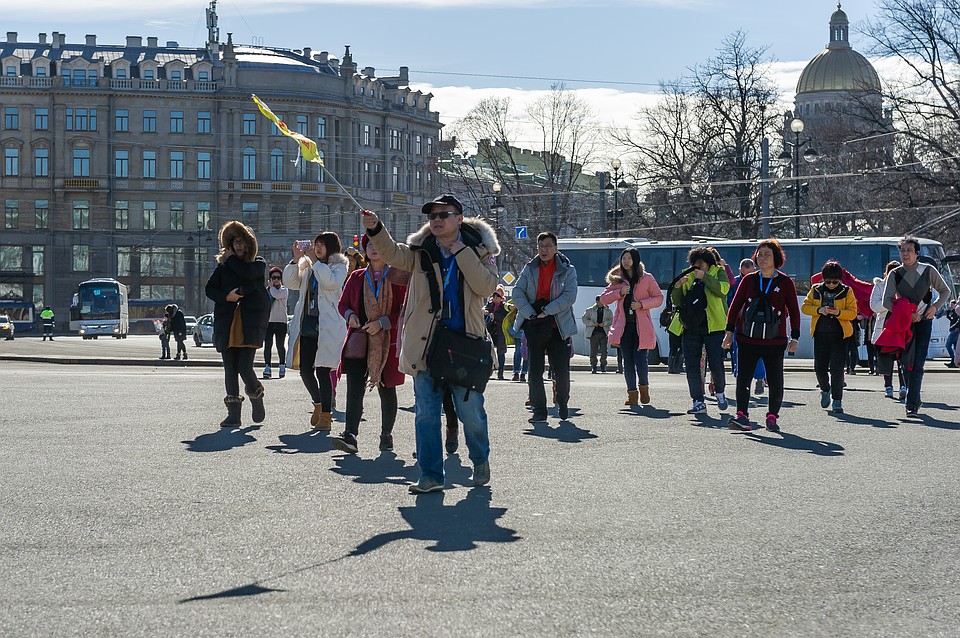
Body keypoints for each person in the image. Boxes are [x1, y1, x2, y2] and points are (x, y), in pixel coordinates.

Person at [361, 194, 500, 493]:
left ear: (459, 218)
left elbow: (486, 286)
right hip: (427, 344)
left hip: (465, 345)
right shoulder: (421, 250)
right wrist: (375, 229)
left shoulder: (479, 249)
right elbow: (393, 254)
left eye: (443, 215)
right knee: (426, 413)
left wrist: (462, 252)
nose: (436, 220)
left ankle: (480, 460)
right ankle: (431, 475)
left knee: (471, 413)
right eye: (432, 216)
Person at [332, 233, 409, 454]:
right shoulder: (356, 277)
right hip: (360, 339)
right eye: (369, 245)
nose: (374, 249)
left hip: (386, 341)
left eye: (378, 245)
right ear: (364, 250)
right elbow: (343, 303)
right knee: (354, 390)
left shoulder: (397, 276)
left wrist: (383, 323)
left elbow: (404, 309)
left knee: (387, 389)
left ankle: (386, 435)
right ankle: (351, 436)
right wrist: (350, 316)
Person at [723, 238, 801, 432]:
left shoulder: (785, 282)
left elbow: (794, 310)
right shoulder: (749, 279)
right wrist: (729, 333)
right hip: (746, 338)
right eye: (760, 254)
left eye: (768, 254)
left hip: (775, 341)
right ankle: (742, 415)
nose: (763, 257)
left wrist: (795, 337)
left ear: (776, 258)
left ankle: (772, 416)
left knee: (775, 380)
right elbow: (735, 307)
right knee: (744, 377)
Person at [204, 221, 270, 427]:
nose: (239, 246)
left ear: (249, 245)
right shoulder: (223, 267)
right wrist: (226, 297)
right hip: (227, 322)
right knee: (230, 369)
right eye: (235, 243)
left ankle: (256, 395)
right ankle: (234, 415)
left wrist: (230, 259)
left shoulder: (257, 264)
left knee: (244, 366)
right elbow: (209, 289)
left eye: (242, 243)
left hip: (249, 323)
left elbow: (248, 276)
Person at [879, 236, 951, 417]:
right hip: (904, 325)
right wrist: (905, 314)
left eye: (909, 250)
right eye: (903, 250)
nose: (905, 254)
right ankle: (914, 397)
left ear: (917, 253)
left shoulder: (928, 270)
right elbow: (886, 300)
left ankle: (911, 404)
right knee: (906, 363)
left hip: (924, 323)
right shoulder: (895, 274)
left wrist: (934, 307)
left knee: (918, 364)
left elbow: (945, 291)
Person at [284, 232, 349, 430]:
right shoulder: (310, 267)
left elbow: (330, 283)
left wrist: (314, 261)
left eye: (322, 245)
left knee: (322, 371)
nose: (317, 248)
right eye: (315, 244)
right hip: (308, 324)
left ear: (331, 247)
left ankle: (326, 417)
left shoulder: (339, 266)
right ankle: (318, 404)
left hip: (327, 326)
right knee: (305, 371)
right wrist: (296, 260)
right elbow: (291, 283)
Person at [512, 231, 579, 422]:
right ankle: (539, 410)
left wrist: (547, 310)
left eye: (548, 245)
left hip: (558, 326)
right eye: (541, 245)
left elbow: (569, 296)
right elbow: (517, 292)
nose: (544, 249)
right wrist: (530, 313)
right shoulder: (529, 268)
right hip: (535, 325)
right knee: (534, 370)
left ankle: (562, 401)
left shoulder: (568, 270)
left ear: (556, 248)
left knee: (561, 370)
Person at [668, 247, 730, 415]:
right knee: (692, 366)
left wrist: (706, 278)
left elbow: (723, 290)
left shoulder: (719, 271)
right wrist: (678, 287)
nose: (696, 267)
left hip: (715, 327)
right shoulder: (687, 274)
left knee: (716, 363)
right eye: (693, 264)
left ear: (708, 263)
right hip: (691, 327)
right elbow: (678, 301)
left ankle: (720, 392)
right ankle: (697, 401)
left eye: (699, 264)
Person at [600, 248, 663, 404]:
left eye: (628, 258)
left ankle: (644, 388)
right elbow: (603, 299)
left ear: (635, 260)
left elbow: (659, 298)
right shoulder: (618, 279)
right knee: (627, 361)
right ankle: (632, 395)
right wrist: (619, 292)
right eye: (623, 258)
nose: (625, 261)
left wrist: (642, 304)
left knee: (641, 360)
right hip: (624, 327)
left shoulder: (647, 278)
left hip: (641, 328)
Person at [801, 260, 858, 413]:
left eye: (835, 281)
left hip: (840, 336)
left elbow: (852, 312)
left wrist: (838, 312)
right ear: (823, 279)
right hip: (820, 334)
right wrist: (820, 310)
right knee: (819, 368)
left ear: (840, 280)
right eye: (828, 281)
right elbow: (805, 307)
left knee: (837, 370)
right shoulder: (816, 289)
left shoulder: (847, 291)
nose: (831, 284)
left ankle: (837, 401)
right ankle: (825, 389)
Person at [729, 258, 766, 395]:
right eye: (744, 275)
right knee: (738, 352)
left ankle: (760, 379)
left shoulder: (760, 281)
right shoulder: (735, 283)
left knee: (759, 352)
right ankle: (741, 380)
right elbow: (730, 301)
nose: (747, 278)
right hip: (740, 323)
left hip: (757, 322)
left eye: (750, 274)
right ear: (740, 271)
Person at [870, 260, 906, 399]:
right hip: (884, 327)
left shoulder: (905, 286)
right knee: (886, 359)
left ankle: (903, 386)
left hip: (900, 326)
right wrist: (891, 303)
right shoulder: (880, 286)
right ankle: (888, 386)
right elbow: (874, 306)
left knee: (902, 359)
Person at [263, 267, 289, 379]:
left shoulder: (284, 290)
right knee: (268, 345)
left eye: (278, 277)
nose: (276, 280)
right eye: (274, 278)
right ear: (270, 279)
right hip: (269, 322)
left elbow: (276, 295)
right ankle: (267, 366)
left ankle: (282, 365)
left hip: (281, 321)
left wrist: (271, 287)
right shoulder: (267, 291)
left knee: (280, 345)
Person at [581, 296, 613, 374]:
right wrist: (592, 324)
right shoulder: (590, 310)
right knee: (593, 350)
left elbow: (611, 319)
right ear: (597, 301)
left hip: (604, 332)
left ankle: (603, 365)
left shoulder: (607, 310)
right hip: (594, 333)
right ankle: (593, 365)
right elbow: (584, 318)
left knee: (604, 350)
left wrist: (604, 324)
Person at [484, 286, 510, 380]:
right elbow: (484, 311)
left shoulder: (504, 306)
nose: (495, 297)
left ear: (501, 297)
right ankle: (488, 370)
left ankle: (501, 371)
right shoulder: (489, 304)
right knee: (488, 350)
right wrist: (486, 312)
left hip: (500, 331)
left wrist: (495, 316)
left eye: (497, 295)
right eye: (494, 295)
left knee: (501, 352)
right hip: (490, 331)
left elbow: (505, 318)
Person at [943, 300, 959, 368]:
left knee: (948, 345)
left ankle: (953, 360)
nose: (950, 306)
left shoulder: (957, 312)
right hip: (954, 330)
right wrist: (948, 316)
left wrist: (953, 327)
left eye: (952, 305)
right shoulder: (952, 312)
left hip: (955, 330)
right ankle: (955, 361)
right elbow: (952, 319)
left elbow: (957, 321)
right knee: (955, 346)